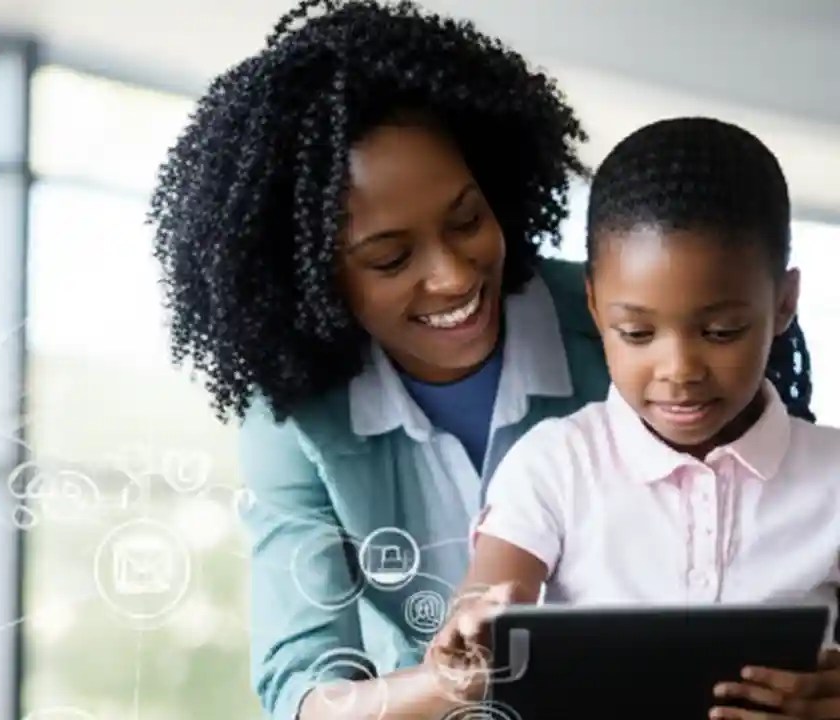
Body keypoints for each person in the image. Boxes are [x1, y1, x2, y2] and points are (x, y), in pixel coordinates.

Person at [148, 1, 813, 717]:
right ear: (309, 275)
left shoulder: (634, 330)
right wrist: (455, 680)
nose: (455, 277)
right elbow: (300, 692)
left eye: (467, 220)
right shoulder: (297, 419)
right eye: (391, 257)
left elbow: (767, 548)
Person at [432, 116, 840, 719]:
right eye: (637, 332)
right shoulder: (556, 464)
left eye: (721, 331)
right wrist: (472, 630)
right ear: (595, 306)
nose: (679, 368)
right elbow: (486, 600)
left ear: (783, 304)